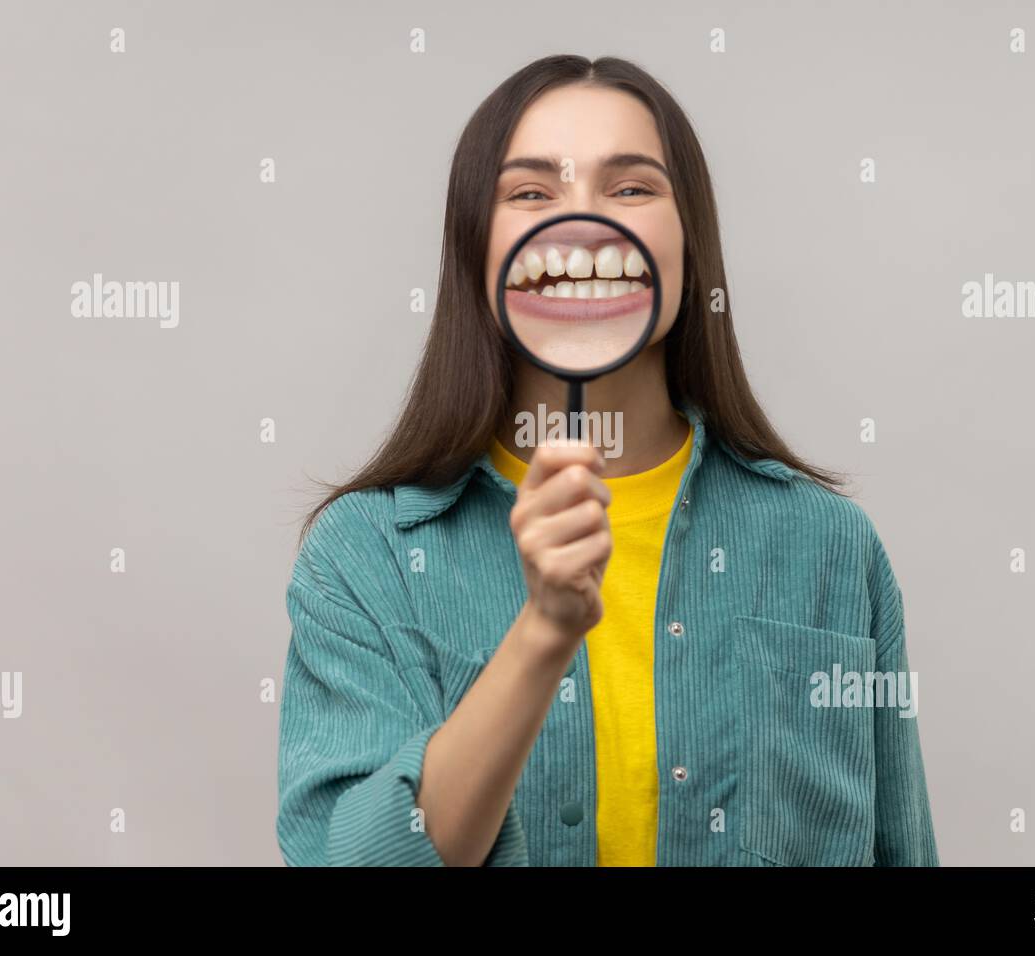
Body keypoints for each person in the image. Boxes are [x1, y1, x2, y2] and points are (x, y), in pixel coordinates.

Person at [276, 54, 938, 867]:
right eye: (530, 193)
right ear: (477, 249)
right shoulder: (366, 556)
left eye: (631, 188)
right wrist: (544, 632)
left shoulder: (830, 545)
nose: (585, 220)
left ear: (691, 241)